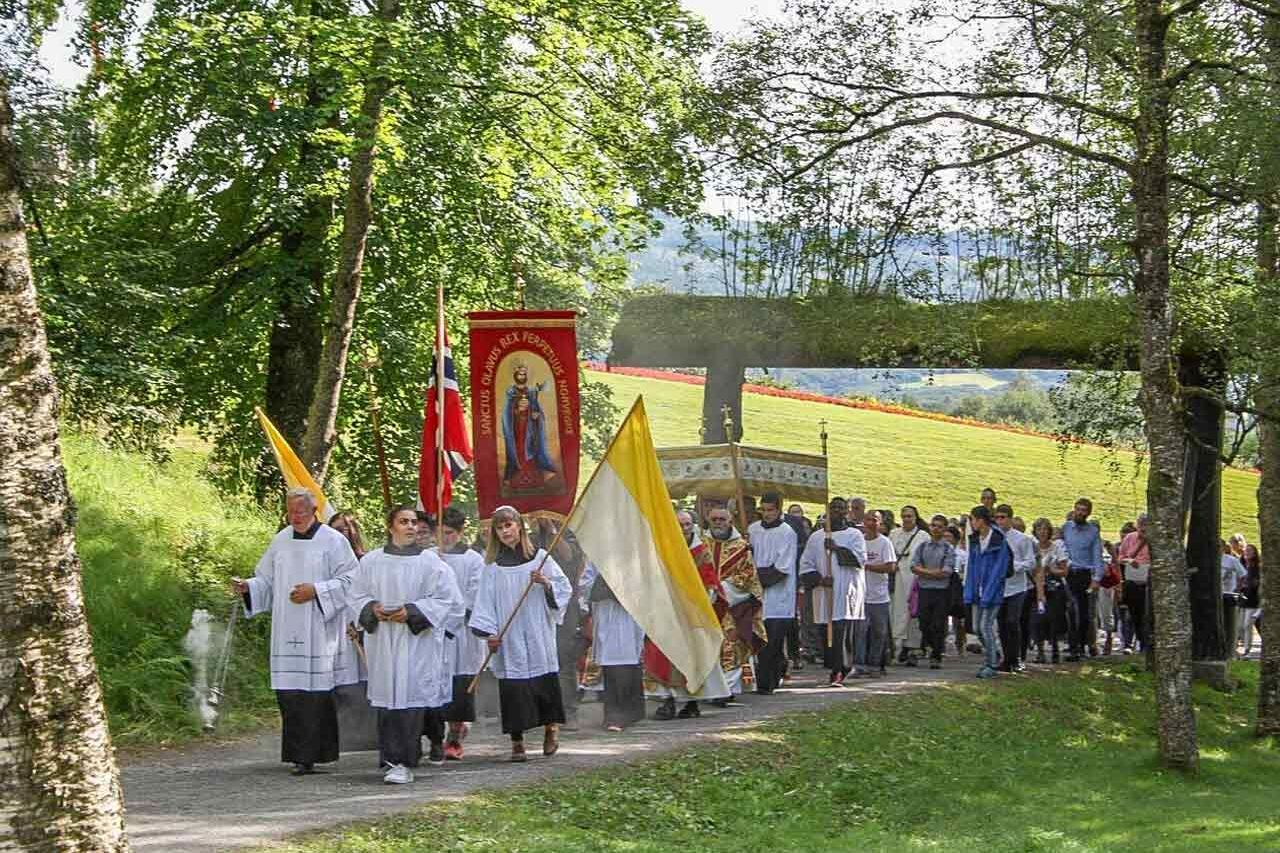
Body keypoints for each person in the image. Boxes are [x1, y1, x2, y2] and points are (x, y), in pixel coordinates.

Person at [232, 488, 359, 775]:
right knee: (290, 693)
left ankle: (315, 754)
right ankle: (297, 755)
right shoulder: (281, 540)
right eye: (291, 512)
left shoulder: (334, 541)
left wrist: (316, 590)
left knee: (315, 694)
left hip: (317, 629)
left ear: (314, 510)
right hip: (286, 626)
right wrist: (249, 587)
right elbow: (266, 579)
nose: (296, 517)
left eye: (301, 511)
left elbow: (352, 580)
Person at [347, 505, 464, 784]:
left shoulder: (432, 563)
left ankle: (404, 761)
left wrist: (411, 612)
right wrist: (371, 609)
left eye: (414, 522)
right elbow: (354, 595)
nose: (411, 527)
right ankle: (390, 760)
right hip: (384, 641)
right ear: (391, 527)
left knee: (410, 697)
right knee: (388, 698)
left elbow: (449, 601)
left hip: (416, 642)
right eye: (404, 522)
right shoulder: (371, 562)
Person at [468, 505, 572, 762]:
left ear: (519, 526)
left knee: (543, 681)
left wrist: (546, 584)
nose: (505, 531)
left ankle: (551, 728)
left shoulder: (541, 559)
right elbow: (485, 603)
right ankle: (517, 741)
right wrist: (490, 633)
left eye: (509, 525)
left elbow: (564, 587)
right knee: (513, 689)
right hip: (509, 633)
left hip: (537, 630)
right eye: (500, 528)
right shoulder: (492, 568)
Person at [648, 511, 733, 718]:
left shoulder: (700, 550)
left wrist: (705, 598)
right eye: (680, 524)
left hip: (693, 614)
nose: (684, 528)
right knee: (665, 656)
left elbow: (709, 579)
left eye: (687, 524)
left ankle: (692, 703)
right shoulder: (664, 547)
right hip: (668, 612)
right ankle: (667, 701)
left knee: (695, 656)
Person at [798, 497, 866, 685]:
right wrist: (820, 580)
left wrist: (836, 548)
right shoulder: (816, 537)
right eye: (833, 508)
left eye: (841, 508)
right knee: (826, 633)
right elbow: (805, 565)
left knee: (842, 633)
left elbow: (859, 560)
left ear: (846, 511)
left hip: (845, 592)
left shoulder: (854, 535)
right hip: (824, 593)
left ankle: (841, 669)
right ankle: (832, 667)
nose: (837, 512)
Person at [437, 507, 486, 760]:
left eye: (449, 533)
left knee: (460, 684)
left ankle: (454, 735)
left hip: (462, 633)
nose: (444, 538)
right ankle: (435, 733)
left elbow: (475, 593)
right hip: (434, 629)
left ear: (460, 533)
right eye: (440, 532)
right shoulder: (429, 556)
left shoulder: (473, 560)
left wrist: (454, 613)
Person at [328, 511, 377, 752]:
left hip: (360, 626)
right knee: (340, 680)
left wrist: (360, 622)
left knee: (365, 678)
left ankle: (368, 733)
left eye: (345, 529)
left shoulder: (366, 561)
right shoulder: (326, 562)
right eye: (335, 529)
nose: (341, 534)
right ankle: (343, 732)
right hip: (334, 627)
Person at [706, 506, 766, 697]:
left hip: (732, 606)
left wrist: (722, 588)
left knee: (732, 643)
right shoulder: (701, 544)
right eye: (714, 519)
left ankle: (728, 689)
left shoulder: (741, 547)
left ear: (730, 522)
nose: (718, 523)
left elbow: (748, 576)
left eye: (722, 519)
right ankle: (710, 689)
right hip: (704, 605)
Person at [578, 562, 646, 731]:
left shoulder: (635, 552)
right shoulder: (597, 552)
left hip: (630, 613)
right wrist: (606, 586)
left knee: (628, 658)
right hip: (606, 612)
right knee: (613, 662)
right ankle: (615, 713)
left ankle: (631, 710)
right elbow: (585, 583)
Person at [747, 492, 798, 695]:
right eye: (764, 510)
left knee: (773, 641)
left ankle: (769, 682)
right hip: (756, 593)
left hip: (778, 595)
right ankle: (759, 679)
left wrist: (758, 579)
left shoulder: (787, 533)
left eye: (771, 510)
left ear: (779, 510)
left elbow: (782, 567)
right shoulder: (752, 530)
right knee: (757, 639)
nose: (767, 514)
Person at [964, 505, 1010, 679]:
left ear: (981, 520)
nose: (972, 523)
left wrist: (990, 592)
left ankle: (991, 663)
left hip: (992, 591)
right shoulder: (975, 540)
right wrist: (970, 590)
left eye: (973, 519)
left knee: (986, 626)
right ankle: (994, 652)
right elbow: (972, 565)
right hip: (978, 591)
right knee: (976, 627)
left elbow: (1000, 569)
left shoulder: (999, 540)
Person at [1060, 498, 1103, 660]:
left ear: (1088, 513)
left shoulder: (1093, 532)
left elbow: (1097, 556)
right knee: (1071, 610)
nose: (1080, 512)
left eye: (1083, 510)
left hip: (1085, 574)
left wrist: (1096, 578)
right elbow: (1060, 546)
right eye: (1078, 509)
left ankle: (1082, 645)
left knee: (1084, 613)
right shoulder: (1066, 528)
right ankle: (1072, 647)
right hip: (1069, 572)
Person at [911, 514, 956, 669]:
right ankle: (927, 646)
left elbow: (946, 572)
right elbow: (913, 566)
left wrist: (925, 572)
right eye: (933, 525)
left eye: (939, 526)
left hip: (941, 591)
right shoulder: (923, 546)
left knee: (938, 623)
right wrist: (932, 573)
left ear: (944, 529)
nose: (935, 528)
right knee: (924, 622)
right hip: (924, 590)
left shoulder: (948, 549)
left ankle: (936, 654)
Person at [502, 362, 557, 487]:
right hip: (516, 429)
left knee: (531, 450)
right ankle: (515, 479)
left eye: (523, 374)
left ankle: (534, 479)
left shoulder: (531, 391)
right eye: (520, 374)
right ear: (516, 375)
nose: (521, 376)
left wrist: (536, 416)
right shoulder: (511, 391)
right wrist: (517, 410)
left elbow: (535, 408)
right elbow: (508, 412)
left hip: (529, 429)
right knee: (518, 451)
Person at [994, 504, 1034, 673]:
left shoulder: (1022, 539)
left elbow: (1031, 562)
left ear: (1010, 518)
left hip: (1017, 587)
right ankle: (1006, 658)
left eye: (1003, 517)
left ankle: (1017, 657)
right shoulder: (993, 538)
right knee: (1002, 623)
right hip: (999, 587)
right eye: (997, 517)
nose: (1000, 521)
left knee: (1013, 621)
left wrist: (1013, 566)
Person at [857, 510, 897, 677]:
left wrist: (868, 567)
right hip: (861, 595)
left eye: (875, 520)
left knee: (878, 633)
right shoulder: (858, 541)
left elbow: (891, 567)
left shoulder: (884, 543)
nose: (871, 524)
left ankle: (875, 664)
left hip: (879, 597)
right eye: (868, 520)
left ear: (880, 523)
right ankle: (859, 664)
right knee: (860, 633)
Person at [889, 506, 929, 665]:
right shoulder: (894, 534)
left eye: (909, 516)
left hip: (914, 579)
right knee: (896, 612)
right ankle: (896, 648)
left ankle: (912, 649)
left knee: (913, 613)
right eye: (904, 516)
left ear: (915, 517)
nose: (906, 519)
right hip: (897, 577)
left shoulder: (922, 536)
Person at [1032, 518, 1070, 663]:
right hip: (1035, 587)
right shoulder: (1032, 547)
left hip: (1054, 587)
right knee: (1037, 619)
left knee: (1053, 618)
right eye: (1039, 529)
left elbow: (1064, 571)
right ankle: (1040, 651)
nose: (1042, 532)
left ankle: (1055, 648)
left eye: (1045, 529)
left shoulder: (1057, 548)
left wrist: (1052, 570)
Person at [1116, 516, 1151, 655]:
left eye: (1146, 525)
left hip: (1148, 582)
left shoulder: (1154, 541)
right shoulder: (1130, 538)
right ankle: (1139, 641)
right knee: (1134, 614)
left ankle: (1146, 644)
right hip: (1132, 581)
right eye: (1141, 524)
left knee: (1146, 614)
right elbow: (1120, 558)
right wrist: (1130, 561)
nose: (1143, 528)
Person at [943, 525, 969, 655]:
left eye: (949, 536)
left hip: (958, 587)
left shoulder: (962, 555)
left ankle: (960, 643)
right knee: (941, 615)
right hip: (943, 586)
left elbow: (965, 571)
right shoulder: (940, 552)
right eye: (945, 536)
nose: (946, 539)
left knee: (958, 618)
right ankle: (940, 644)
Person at [1221, 540, 1248, 659]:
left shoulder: (1231, 560)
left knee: (1229, 624)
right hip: (1213, 596)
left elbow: (1243, 575)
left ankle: (1231, 651)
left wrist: (1237, 588)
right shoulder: (1207, 560)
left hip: (1228, 596)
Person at [1240, 543, 1262, 656]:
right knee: (1240, 627)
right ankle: (1245, 647)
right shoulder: (1242, 565)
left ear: (1254, 553)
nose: (1246, 552)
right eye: (1245, 550)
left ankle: (1247, 650)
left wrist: (1248, 584)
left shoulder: (1256, 567)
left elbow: (1256, 583)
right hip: (1242, 600)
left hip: (1253, 600)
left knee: (1247, 625)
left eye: (1249, 550)